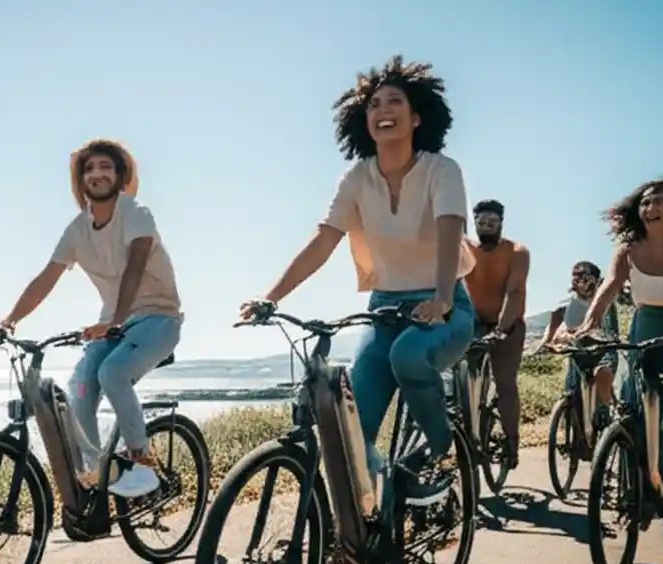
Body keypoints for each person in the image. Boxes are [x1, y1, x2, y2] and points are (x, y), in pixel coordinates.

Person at [240, 55, 476, 505]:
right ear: (363, 119)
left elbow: (450, 233)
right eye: (373, 104)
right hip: (385, 308)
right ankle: (384, 508)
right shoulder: (356, 178)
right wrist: (269, 298)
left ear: (416, 116)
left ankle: (443, 455)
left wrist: (443, 297)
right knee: (348, 427)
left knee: (409, 355)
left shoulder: (441, 170)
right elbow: (323, 241)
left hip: (445, 305)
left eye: (394, 101)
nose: (382, 110)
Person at [0, 138, 183, 498]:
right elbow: (46, 277)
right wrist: (9, 320)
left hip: (158, 318)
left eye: (106, 167)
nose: (97, 173)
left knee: (112, 373)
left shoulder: (136, 213)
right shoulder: (77, 230)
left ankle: (144, 466)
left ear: (120, 176)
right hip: (114, 325)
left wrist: (116, 321)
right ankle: (95, 472)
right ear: (81, 180)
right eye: (89, 169)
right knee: (79, 388)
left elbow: (135, 267)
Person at [572, 178, 663, 509]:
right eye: (645, 203)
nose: (650, 208)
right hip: (647, 323)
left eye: (659, 202)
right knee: (635, 403)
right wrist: (589, 323)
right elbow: (609, 285)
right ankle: (640, 481)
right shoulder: (628, 246)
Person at [463, 198, 530, 469]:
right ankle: (469, 436)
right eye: (482, 223)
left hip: (509, 323)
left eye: (493, 223)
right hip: (473, 323)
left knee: (505, 383)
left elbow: (514, 293)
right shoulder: (464, 247)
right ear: (475, 223)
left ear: (501, 224)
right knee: (466, 382)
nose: (487, 227)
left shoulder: (517, 251)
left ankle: (511, 443)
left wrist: (501, 331)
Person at [539, 260, 620, 409]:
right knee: (573, 395)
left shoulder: (606, 298)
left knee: (602, 378)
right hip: (579, 350)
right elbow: (556, 324)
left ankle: (612, 413)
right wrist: (550, 341)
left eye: (584, 278)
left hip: (604, 349)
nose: (580, 283)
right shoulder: (568, 303)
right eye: (576, 278)